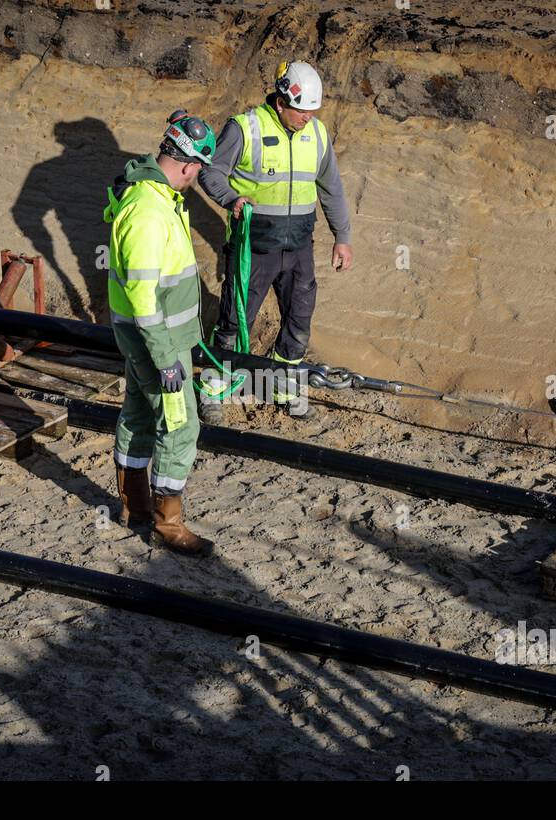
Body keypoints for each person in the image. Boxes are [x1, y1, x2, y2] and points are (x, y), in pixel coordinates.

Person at [198, 60, 353, 422]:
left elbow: (332, 188)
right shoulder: (245, 127)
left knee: (299, 321)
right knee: (236, 322)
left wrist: (342, 237)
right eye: (301, 111)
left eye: (313, 112)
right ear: (281, 102)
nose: (307, 119)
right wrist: (230, 199)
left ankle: (285, 387)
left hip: (298, 248)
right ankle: (215, 391)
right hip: (253, 245)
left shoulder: (316, 134)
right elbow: (211, 171)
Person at [105, 111, 218, 556]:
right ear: (189, 165)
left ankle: (133, 507)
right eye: (198, 172)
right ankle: (167, 525)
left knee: (137, 411)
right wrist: (167, 356)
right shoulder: (148, 212)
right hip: (156, 339)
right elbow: (144, 298)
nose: (196, 179)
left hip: (150, 336)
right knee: (180, 423)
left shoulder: (155, 197)